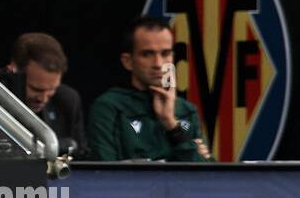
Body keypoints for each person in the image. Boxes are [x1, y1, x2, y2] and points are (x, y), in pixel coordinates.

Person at [89, 15, 211, 162]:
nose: (158, 63)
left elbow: (204, 176)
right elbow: (104, 174)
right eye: (147, 54)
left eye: (165, 54)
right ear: (128, 61)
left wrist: (170, 123)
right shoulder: (109, 108)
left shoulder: (186, 110)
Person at [0, 32, 88, 159]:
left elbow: (80, 157)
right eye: (36, 89)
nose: (43, 99)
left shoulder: (68, 100)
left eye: (51, 89)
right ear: (12, 71)